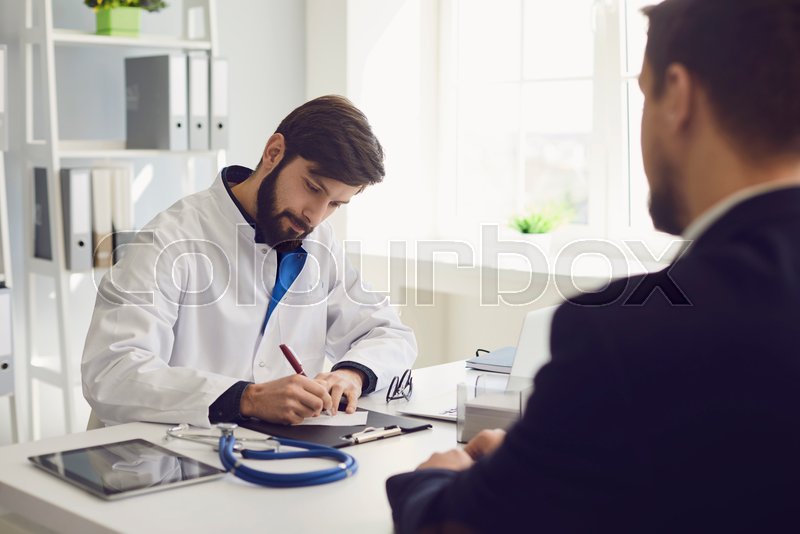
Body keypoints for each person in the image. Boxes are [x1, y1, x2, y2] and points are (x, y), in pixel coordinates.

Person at [386, 0, 800, 531]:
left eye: (644, 94)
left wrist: (437, 479)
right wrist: (553, 453)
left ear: (678, 95)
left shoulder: (623, 336)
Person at [82, 95, 417, 428]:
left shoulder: (318, 242)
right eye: (313, 187)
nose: (316, 215)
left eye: (335, 204)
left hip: (274, 455)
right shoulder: (170, 239)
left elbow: (389, 332)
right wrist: (247, 398)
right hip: (163, 461)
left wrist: (351, 374)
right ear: (274, 153)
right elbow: (112, 372)